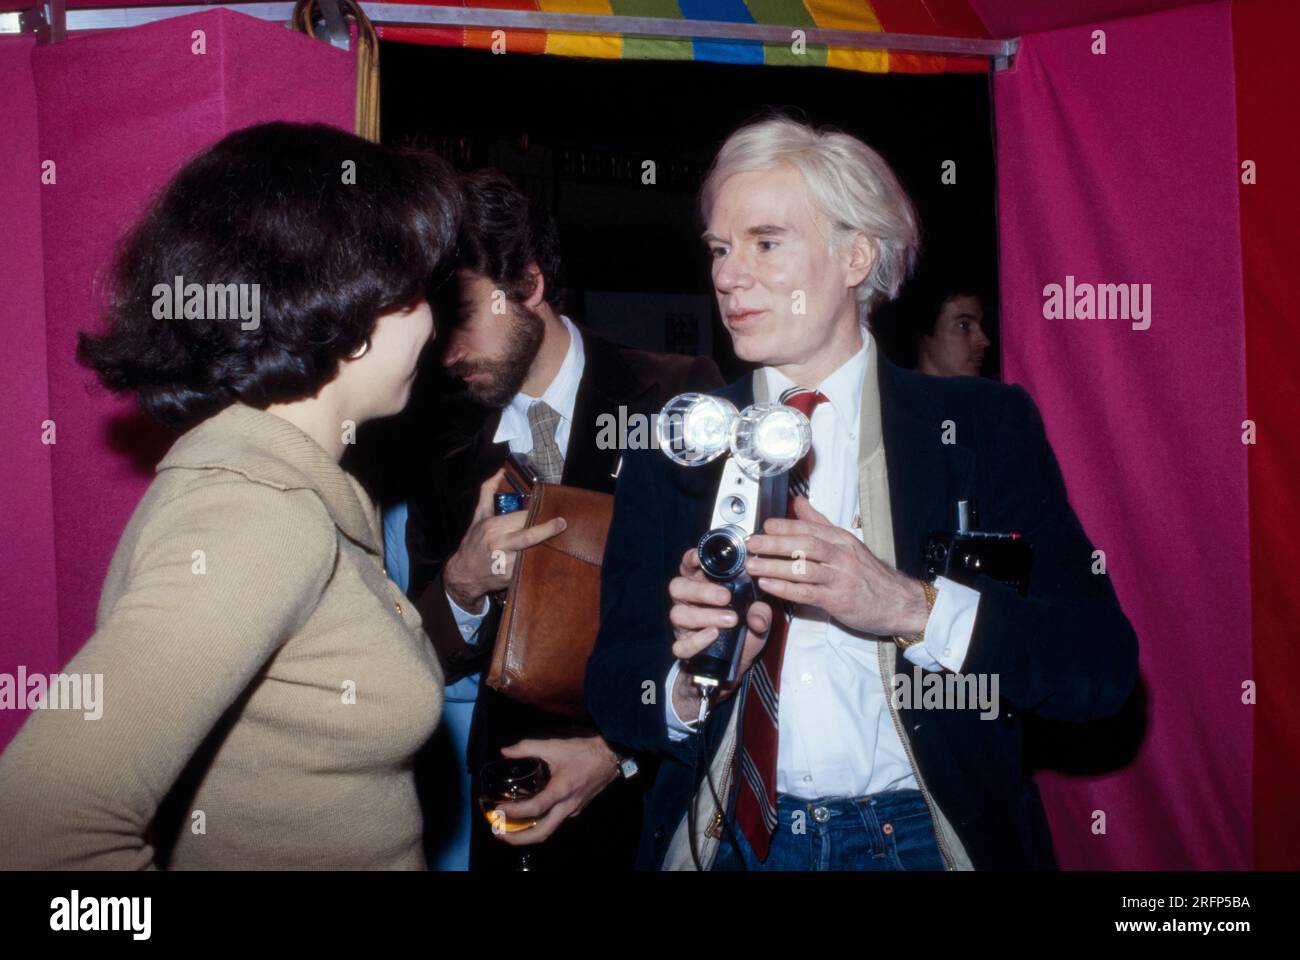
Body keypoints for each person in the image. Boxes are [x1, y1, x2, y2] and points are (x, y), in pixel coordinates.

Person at [586, 117, 1139, 871]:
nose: (727, 274)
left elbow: (1099, 672)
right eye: (720, 247)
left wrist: (908, 607)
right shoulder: (676, 441)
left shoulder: (979, 427)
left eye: (766, 241)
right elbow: (615, 685)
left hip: (921, 840)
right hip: (730, 842)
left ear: (856, 255)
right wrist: (696, 679)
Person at [0, 122, 460, 869]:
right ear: (334, 307)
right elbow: (35, 838)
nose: (431, 320)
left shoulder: (303, 488)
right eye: (409, 295)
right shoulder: (256, 515)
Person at [395, 168, 722, 870]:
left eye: (463, 317)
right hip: (509, 803)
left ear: (531, 286)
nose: (447, 353)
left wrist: (619, 753)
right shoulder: (441, 442)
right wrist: (462, 583)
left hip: (651, 797)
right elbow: (414, 649)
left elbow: (734, 614)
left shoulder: (678, 394)